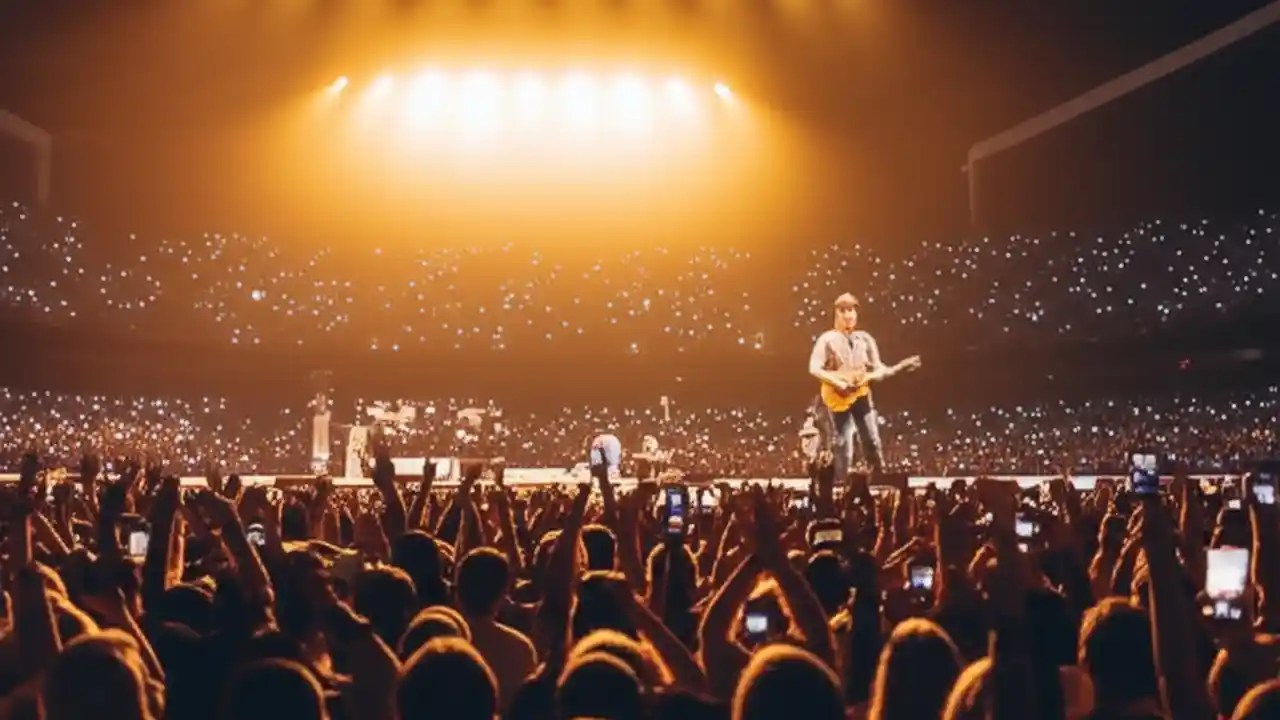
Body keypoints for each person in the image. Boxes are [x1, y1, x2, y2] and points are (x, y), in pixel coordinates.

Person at [807, 292, 917, 481]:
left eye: (852, 310)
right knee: (842, 442)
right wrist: (838, 381)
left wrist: (900, 367)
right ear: (836, 314)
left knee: (871, 438)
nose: (849, 315)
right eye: (844, 311)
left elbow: (880, 370)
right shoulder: (827, 340)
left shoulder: (865, 339)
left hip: (861, 394)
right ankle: (840, 480)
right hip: (838, 397)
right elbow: (814, 368)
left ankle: (877, 475)